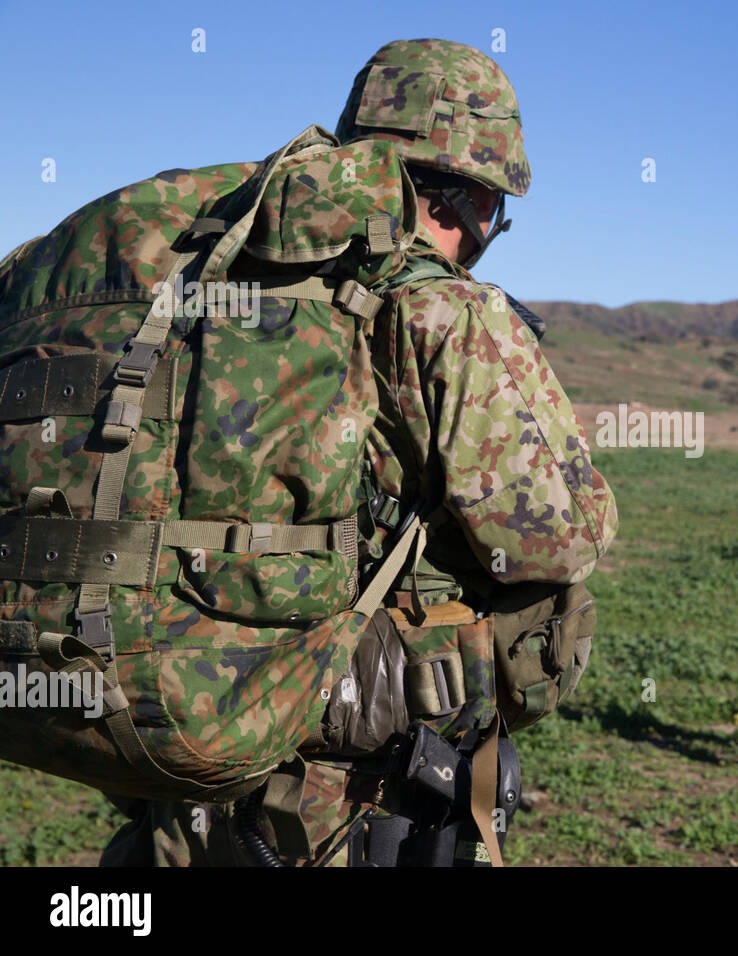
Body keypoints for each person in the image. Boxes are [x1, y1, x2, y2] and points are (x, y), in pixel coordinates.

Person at [72, 38, 615, 865]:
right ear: (470, 198)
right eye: (494, 213)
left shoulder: (208, 292)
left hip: (176, 736)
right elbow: (553, 537)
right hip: (347, 790)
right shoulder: (442, 311)